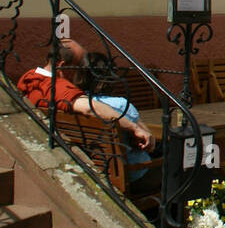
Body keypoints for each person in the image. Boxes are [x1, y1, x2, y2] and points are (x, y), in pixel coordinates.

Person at [16, 39, 155, 181]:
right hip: (107, 171)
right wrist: (134, 128)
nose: (83, 73)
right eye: (80, 67)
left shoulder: (30, 77)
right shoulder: (59, 89)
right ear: (63, 67)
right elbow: (90, 108)